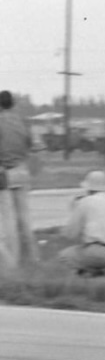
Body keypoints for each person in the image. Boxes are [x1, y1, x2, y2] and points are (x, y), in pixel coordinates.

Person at [56, 170, 105, 276]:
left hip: (99, 253)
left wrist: (73, 210)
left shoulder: (84, 202)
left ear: (88, 188)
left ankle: (93, 272)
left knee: (65, 256)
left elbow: (71, 234)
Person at [0, 90, 38, 270]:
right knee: (25, 219)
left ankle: (12, 265)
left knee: (9, 222)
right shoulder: (22, 121)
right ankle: (33, 261)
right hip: (22, 170)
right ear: (12, 104)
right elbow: (30, 145)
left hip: (5, 173)